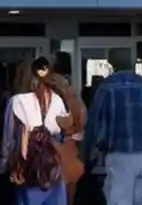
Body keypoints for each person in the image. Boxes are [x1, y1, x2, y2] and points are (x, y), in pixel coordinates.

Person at [81, 64, 142, 205]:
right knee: (139, 200)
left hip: (120, 154)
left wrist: (86, 156)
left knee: (119, 200)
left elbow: (94, 125)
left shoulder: (107, 88)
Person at [0, 59, 68, 205]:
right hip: (53, 168)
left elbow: (9, 139)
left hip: (28, 167)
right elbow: (62, 136)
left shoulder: (17, 101)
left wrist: (8, 164)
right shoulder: (58, 101)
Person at [32, 57, 87, 205]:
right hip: (67, 159)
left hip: (47, 160)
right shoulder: (69, 94)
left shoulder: (41, 93)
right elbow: (80, 122)